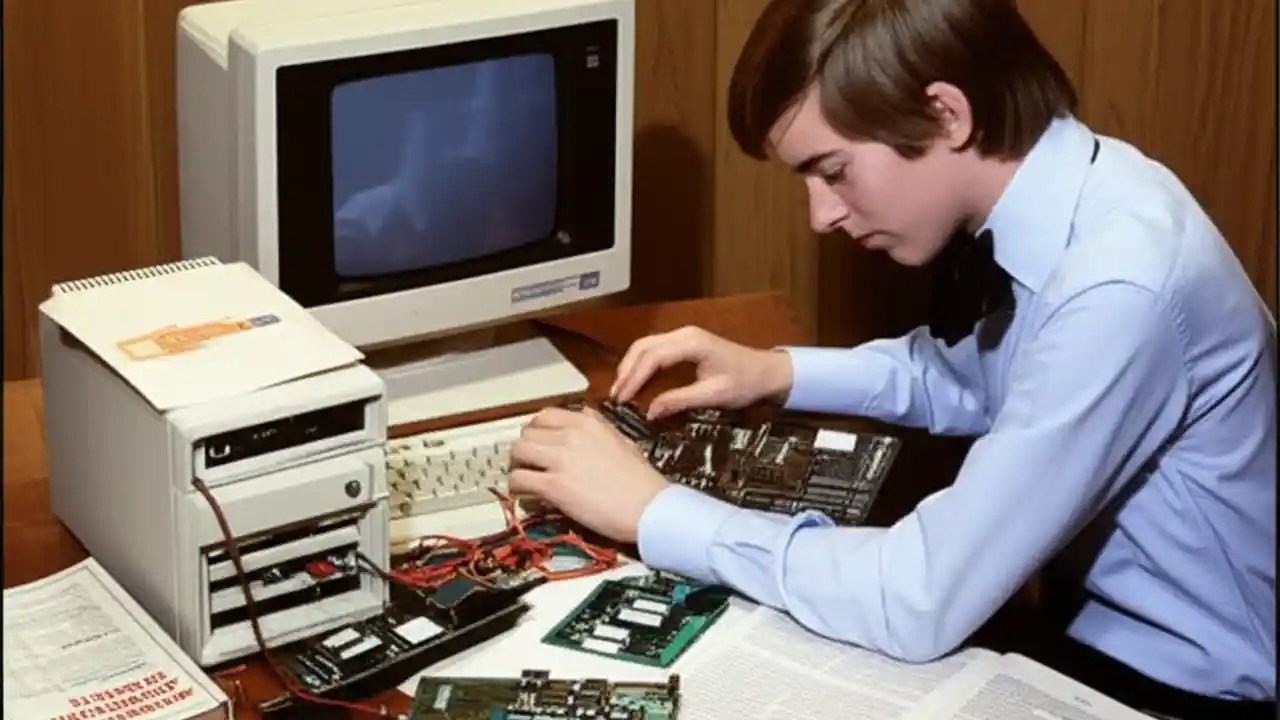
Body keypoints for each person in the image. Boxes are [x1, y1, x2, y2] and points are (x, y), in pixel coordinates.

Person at [508, 0, 1277, 717]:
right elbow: (989, 376)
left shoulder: (1122, 286)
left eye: (833, 171)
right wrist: (776, 369)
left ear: (946, 113)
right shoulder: (1080, 191)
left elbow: (918, 600)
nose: (821, 215)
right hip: (1083, 632)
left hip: (1181, 691)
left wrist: (653, 510)